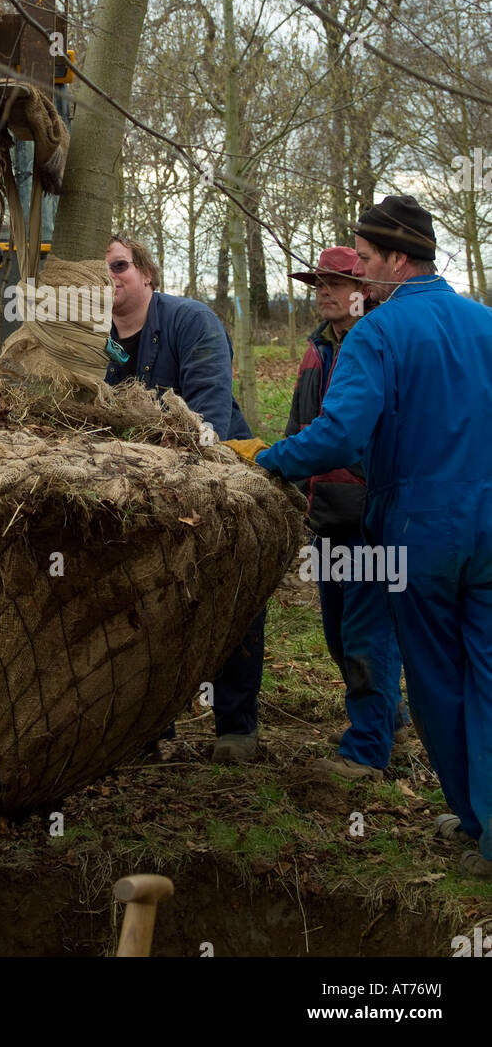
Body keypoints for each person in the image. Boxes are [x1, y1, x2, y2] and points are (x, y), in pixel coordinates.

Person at [255, 196, 492, 879]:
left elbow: (339, 434)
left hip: (420, 533)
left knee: (436, 679)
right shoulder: (484, 323)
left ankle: (474, 819)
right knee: (485, 673)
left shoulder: (378, 333)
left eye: (360, 261)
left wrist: (266, 461)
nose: (356, 275)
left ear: (395, 259)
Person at [104, 232, 264, 764]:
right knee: (141, 608)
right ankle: (148, 727)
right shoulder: (89, 338)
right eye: (103, 269)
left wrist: (174, 473)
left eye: (121, 265)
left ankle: (235, 725)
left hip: (212, 473)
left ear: (146, 273)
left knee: (229, 593)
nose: (112, 277)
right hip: (128, 488)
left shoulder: (191, 321)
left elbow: (208, 416)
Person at [285, 246, 409, 780]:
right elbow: (301, 427)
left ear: (366, 291)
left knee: (367, 637)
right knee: (338, 636)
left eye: (338, 283)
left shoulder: (383, 342)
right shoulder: (317, 350)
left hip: (374, 519)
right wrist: (285, 479)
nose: (325, 292)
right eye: (319, 282)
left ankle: (365, 753)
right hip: (328, 520)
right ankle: (391, 720)